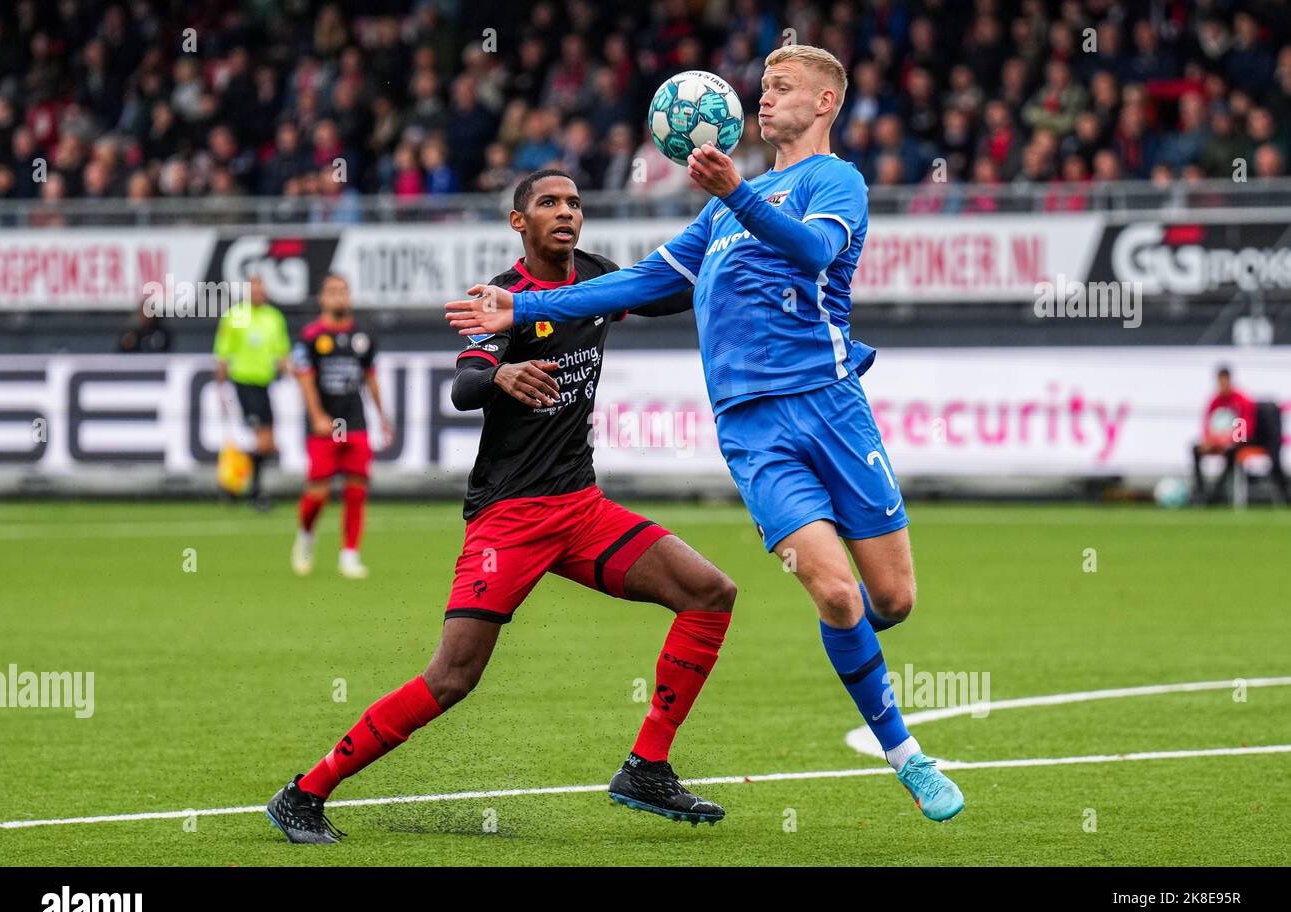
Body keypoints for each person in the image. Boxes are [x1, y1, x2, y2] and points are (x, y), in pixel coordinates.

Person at [446, 46, 965, 822]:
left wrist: (738, 194)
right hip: (755, 431)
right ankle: (907, 756)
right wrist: (520, 310)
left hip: (831, 406)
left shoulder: (832, 183)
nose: (764, 98)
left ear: (824, 103)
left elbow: (816, 250)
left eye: (781, 87)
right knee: (833, 594)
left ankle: (861, 623)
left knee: (891, 598)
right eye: (762, 86)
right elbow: (646, 281)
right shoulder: (722, 211)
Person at [266, 172, 733, 843]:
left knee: (710, 593)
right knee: (453, 676)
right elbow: (462, 387)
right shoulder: (502, 298)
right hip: (510, 519)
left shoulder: (597, 278)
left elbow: (669, 296)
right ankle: (303, 794)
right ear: (520, 222)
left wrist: (731, 258)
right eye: (549, 203)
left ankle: (647, 766)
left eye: (574, 202)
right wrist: (500, 376)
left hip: (581, 508)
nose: (566, 212)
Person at [290, 274, 393, 580]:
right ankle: (306, 535)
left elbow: (370, 378)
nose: (339, 297)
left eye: (343, 291)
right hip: (324, 425)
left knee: (356, 489)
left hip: (355, 422)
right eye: (333, 292)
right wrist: (317, 416)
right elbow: (305, 379)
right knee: (318, 492)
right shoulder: (310, 337)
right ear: (322, 298)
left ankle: (350, 554)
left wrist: (383, 417)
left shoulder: (363, 335)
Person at [212, 275, 290, 510]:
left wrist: (294, 374)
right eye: (253, 288)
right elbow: (223, 355)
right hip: (243, 382)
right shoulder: (234, 317)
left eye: (260, 288)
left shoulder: (274, 318)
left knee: (267, 441)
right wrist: (221, 388)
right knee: (262, 438)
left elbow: (282, 352)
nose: (257, 292)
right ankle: (256, 492)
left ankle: (234, 486)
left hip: (265, 384)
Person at [1192, 366, 1258, 504]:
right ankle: (1200, 491)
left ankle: (1216, 493)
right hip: (1217, 442)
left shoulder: (1241, 400)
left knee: (1231, 452)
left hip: (1236, 442)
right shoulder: (1215, 401)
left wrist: (1228, 440)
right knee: (1195, 449)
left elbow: (1245, 428)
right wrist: (1209, 441)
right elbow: (1207, 425)